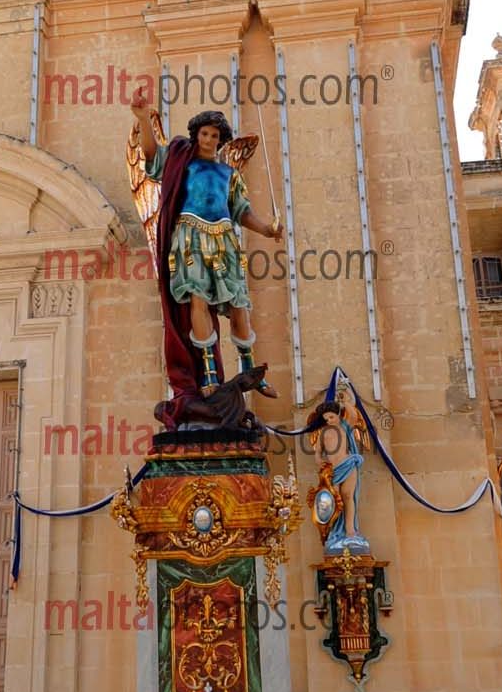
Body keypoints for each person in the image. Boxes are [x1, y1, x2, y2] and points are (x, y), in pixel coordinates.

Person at [129, 87, 283, 429]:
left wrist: (267, 230)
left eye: (215, 135)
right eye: (205, 133)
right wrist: (142, 119)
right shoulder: (181, 162)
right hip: (190, 237)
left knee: (239, 305)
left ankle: (249, 370)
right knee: (197, 303)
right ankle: (210, 374)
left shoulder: (229, 174)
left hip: (224, 238)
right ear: (196, 135)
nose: (209, 139)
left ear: (222, 139)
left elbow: (242, 212)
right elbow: (152, 158)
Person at [310, 398, 369, 551]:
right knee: (334, 500)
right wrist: (319, 460)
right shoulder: (323, 432)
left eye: (331, 417)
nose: (329, 420)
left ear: (338, 415)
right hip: (333, 470)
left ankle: (350, 530)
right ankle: (336, 531)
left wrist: (344, 403)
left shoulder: (344, 426)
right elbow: (317, 452)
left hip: (348, 465)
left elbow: (353, 415)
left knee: (347, 496)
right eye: (326, 419)